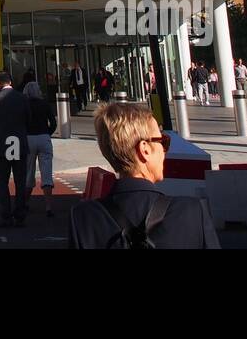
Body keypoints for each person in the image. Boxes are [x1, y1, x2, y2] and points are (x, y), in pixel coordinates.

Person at [68, 102, 219, 249]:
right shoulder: (191, 212)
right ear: (145, 149)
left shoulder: (83, 218)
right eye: (163, 141)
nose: (165, 150)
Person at [0, 69, 31, 228]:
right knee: (20, 181)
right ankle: (20, 213)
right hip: (18, 142)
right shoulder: (22, 97)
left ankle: (6, 215)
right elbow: (29, 118)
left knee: (2, 181)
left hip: (2, 144)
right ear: (10, 82)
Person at [23, 81, 58, 217]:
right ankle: (48, 206)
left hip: (29, 138)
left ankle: (25, 203)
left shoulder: (25, 104)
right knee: (47, 173)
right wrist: (47, 133)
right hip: (44, 137)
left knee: (28, 172)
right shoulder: (45, 104)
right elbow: (53, 122)